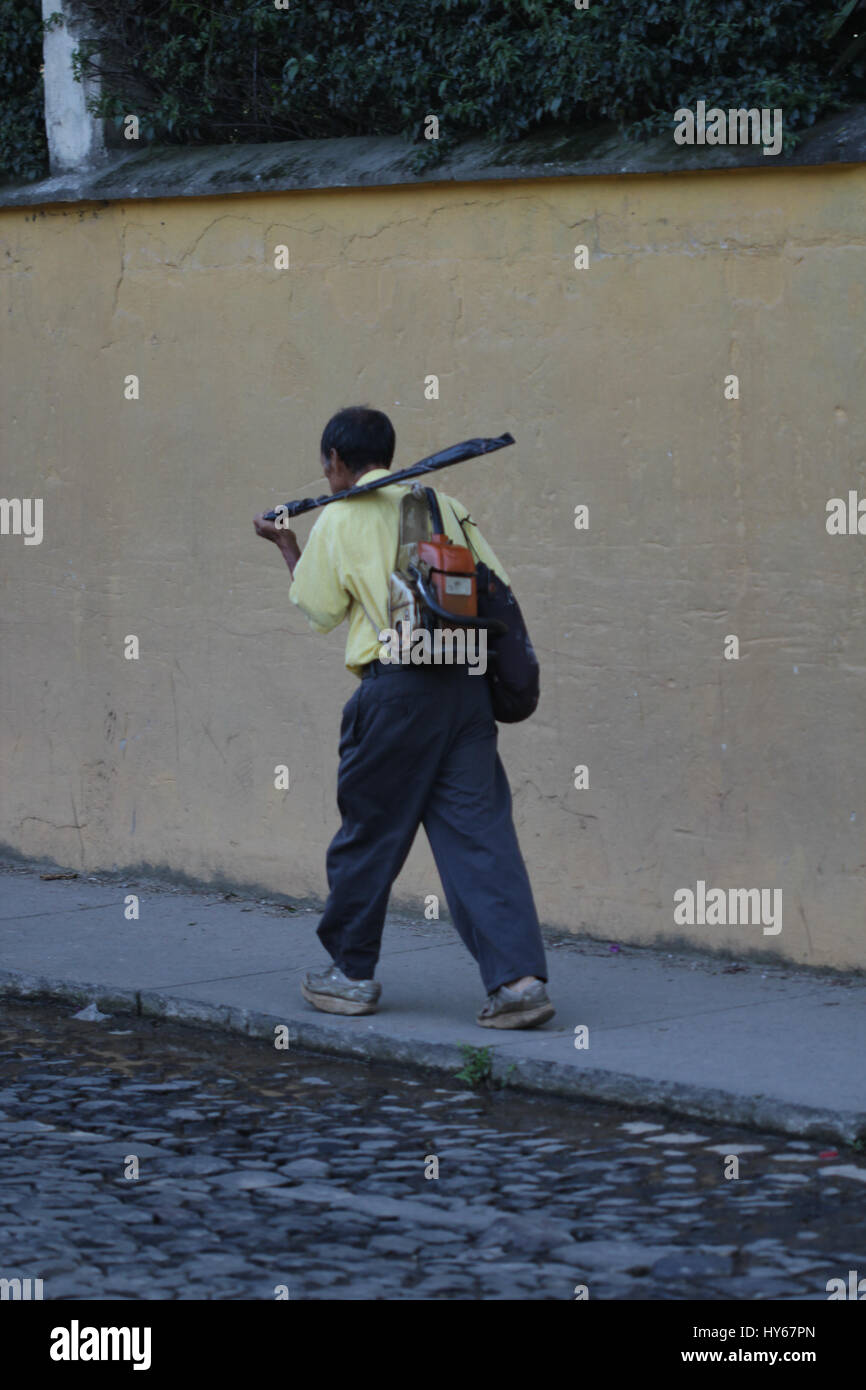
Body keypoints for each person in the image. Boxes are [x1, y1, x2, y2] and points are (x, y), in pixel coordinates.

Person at [253, 406, 553, 1029]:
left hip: (396, 693)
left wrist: (287, 545)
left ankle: (351, 976)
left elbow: (320, 609)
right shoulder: (440, 502)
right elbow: (494, 586)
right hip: (465, 691)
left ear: (335, 462)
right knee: (481, 837)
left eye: (326, 464)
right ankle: (519, 983)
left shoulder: (338, 518)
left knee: (370, 834)